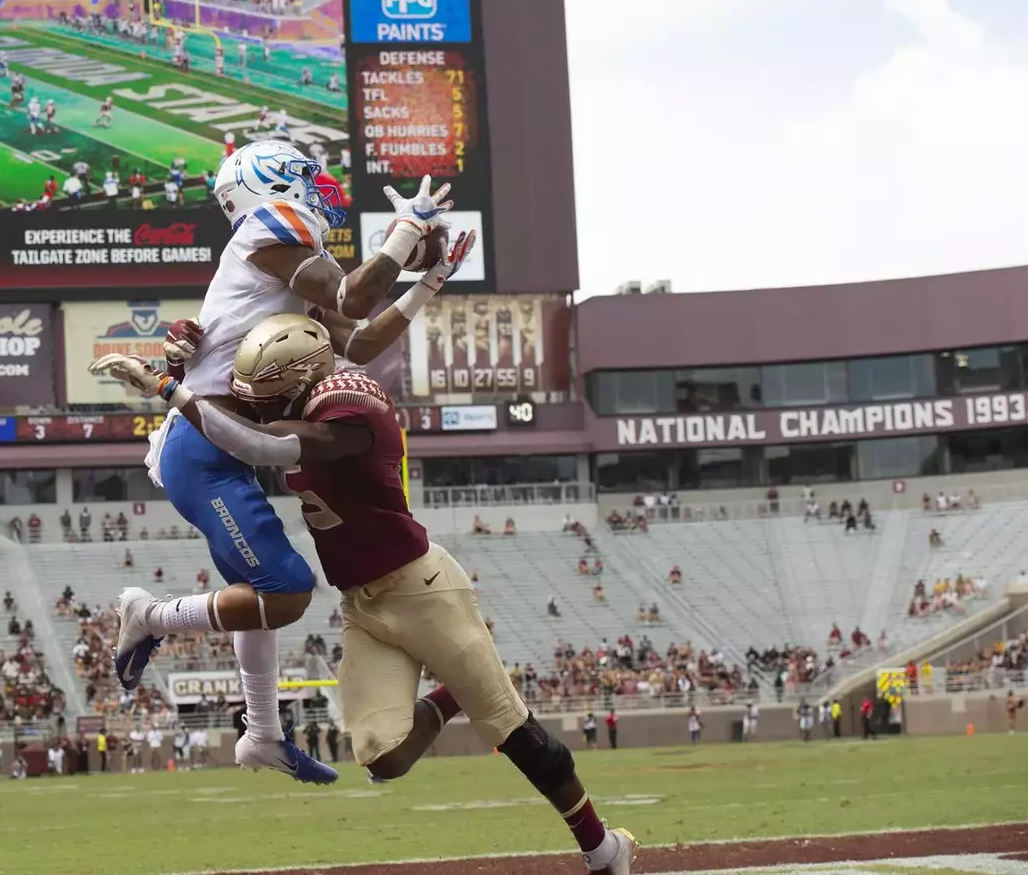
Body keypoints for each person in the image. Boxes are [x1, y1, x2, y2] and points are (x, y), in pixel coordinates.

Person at [95, 315, 634, 874]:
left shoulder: (352, 408)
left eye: (271, 395)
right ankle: (458, 690)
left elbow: (258, 442)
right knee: (385, 757)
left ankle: (603, 850)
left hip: (421, 588)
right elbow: (228, 417)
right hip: (362, 604)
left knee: (516, 734)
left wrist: (168, 389)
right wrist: (180, 369)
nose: (262, 405)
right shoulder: (298, 397)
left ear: (304, 380)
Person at [105, 148, 468, 785]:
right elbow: (355, 299)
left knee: (258, 594)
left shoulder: (285, 263)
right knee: (287, 591)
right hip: (205, 443)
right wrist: (406, 232)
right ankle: (150, 615)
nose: (315, 184)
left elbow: (359, 342)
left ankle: (263, 734)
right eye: (301, 174)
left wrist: (428, 282)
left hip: (226, 439)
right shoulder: (270, 229)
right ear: (266, 185)